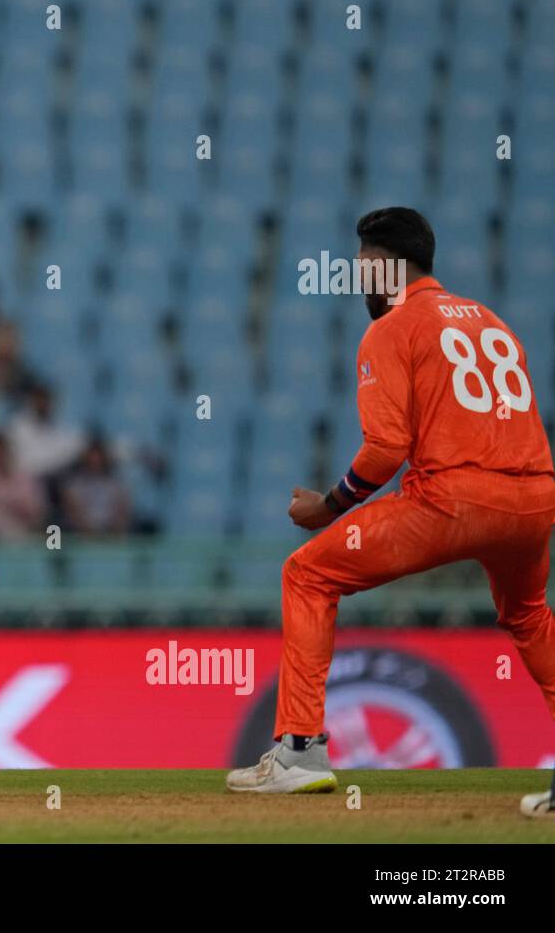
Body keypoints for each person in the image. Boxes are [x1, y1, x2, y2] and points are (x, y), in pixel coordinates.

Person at [226, 207, 555, 818]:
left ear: (383, 265)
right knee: (531, 617)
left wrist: (328, 507)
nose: (356, 281)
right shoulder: (492, 321)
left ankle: (298, 752)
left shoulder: (392, 329)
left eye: (360, 267)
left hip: (454, 499)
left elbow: (385, 449)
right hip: (536, 498)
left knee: (308, 574)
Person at [63, 437, 130, 536]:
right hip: (82, 535)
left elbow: (122, 513)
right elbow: (73, 513)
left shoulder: (116, 486)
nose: (95, 462)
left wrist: (113, 531)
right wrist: (88, 530)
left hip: (110, 534)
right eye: (92, 459)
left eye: (98, 459)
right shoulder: (74, 486)